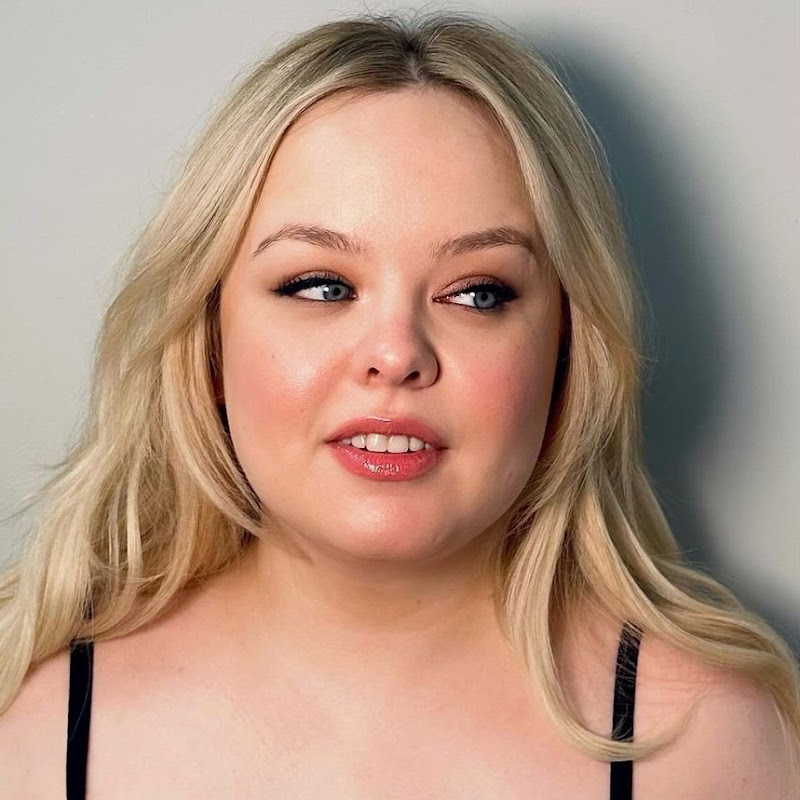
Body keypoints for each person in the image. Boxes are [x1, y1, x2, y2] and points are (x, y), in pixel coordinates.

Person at [0, 10, 798, 799]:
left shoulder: (711, 746)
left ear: (566, 350)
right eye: (321, 286)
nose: (396, 353)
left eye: (477, 292)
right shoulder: (24, 720)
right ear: (210, 339)